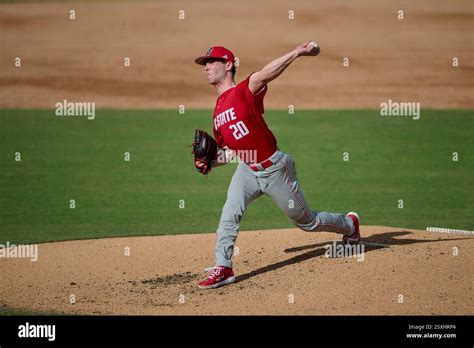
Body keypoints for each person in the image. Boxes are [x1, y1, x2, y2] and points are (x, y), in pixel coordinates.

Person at [194, 42, 360, 290]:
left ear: (229, 65)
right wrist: (209, 164)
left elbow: (266, 73)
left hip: (275, 169)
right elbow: (231, 152)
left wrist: (297, 52)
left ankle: (350, 226)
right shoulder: (217, 110)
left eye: (212, 62)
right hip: (247, 170)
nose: (206, 67)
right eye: (205, 63)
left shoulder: (244, 90)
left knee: (307, 222)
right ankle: (223, 267)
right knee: (230, 213)